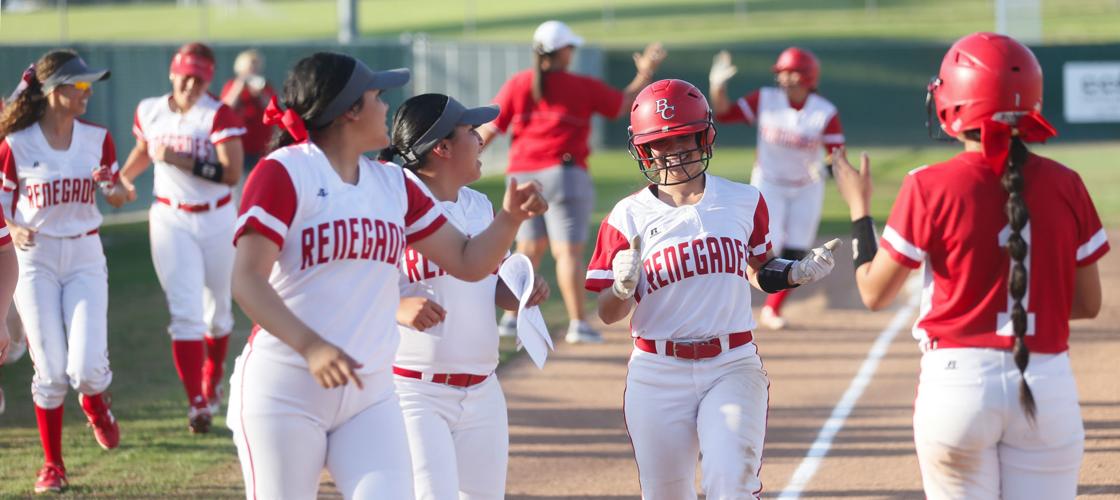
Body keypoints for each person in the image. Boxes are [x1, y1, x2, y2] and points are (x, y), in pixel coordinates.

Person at [228, 53, 546, 499]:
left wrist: (510, 218)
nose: (386, 108)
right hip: (287, 383)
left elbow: (468, 260)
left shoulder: (391, 185)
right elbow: (246, 280)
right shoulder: (283, 172)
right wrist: (312, 346)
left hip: (369, 394)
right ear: (350, 110)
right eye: (377, 96)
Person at [831, 32, 1108, 500]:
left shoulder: (928, 185)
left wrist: (861, 212)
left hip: (956, 386)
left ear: (951, 103)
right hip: (1045, 383)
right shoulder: (1068, 184)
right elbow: (1087, 304)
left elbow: (873, 293)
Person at [586, 79, 838, 499]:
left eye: (685, 137)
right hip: (657, 371)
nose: (676, 150)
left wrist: (794, 274)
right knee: (666, 492)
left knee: (732, 483)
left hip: (732, 363)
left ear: (705, 135)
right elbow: (608, 312)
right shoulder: (626, 216)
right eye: (662, 143)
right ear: (644, 149)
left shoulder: (743, 200)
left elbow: (759, 268)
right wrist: (622, 286)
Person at [380, 93, 550, 500]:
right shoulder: (391, 202)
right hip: (414, 390)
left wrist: (522, 290)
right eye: (472, 132)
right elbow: (353, 286)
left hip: (483, 388)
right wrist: (396, 306)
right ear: (441, 148)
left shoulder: (478, 205)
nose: (481, 139)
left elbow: (492, 285)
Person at [478, 20, 666, 344]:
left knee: (528, 248)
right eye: (570, 48)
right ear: (563, 52)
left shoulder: (518, 83)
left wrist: (465, 159)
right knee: (566, 252)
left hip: (521, 176)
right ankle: (578, 323)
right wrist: (645, 73)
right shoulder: (580, 85)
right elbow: (622, 104)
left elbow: (488, 131)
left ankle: (511, 317)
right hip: (564, 175)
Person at [0, 49, 131, 494]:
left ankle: (96, 403)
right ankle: (53, 465)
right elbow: (2, 204)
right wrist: (13, 226)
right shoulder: (16, 144)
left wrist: (115, 189)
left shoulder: (97, 138)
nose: (88, 92)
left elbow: (115, 193)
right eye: (79, 85)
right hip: (34, 260)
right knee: (52, 372)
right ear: (54, 92)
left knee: (87, 371)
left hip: (84, 256)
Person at [118, 41, 246, 434]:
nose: (190, 84)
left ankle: (213, 375)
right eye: (186, 75)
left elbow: (230, 173)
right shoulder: (150, 109)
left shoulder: (217, 113)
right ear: (173, 72)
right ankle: (196, 402)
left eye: (200, 77)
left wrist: (181, 160)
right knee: (186, 312)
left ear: (209, 79)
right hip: (170, 217)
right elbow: (144, 150)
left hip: (218, 218)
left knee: (219, 311)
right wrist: (125, 177)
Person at [708, 46, 845, 330]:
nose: (784, 78)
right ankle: (729, 305)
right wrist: (717, 86)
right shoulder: (766, 99)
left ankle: (772, 308)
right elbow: (724, 113)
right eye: (781, 73)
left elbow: (837, 153)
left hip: (807, 186)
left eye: (791, 72)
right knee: (760, 246)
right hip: (768, 182)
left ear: (808, 77)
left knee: (795, 250)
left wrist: (828, 167)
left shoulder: (824, 112)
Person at [220, 49, 276, 171]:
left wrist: (261, 94)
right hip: (239, 146)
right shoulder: (231, 85)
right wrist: (239, 88)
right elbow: (225, 108)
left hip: (261, 146)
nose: (253, 71)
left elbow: (273, 111)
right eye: (250, 67)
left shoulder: (265, 87)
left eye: (255, 67)